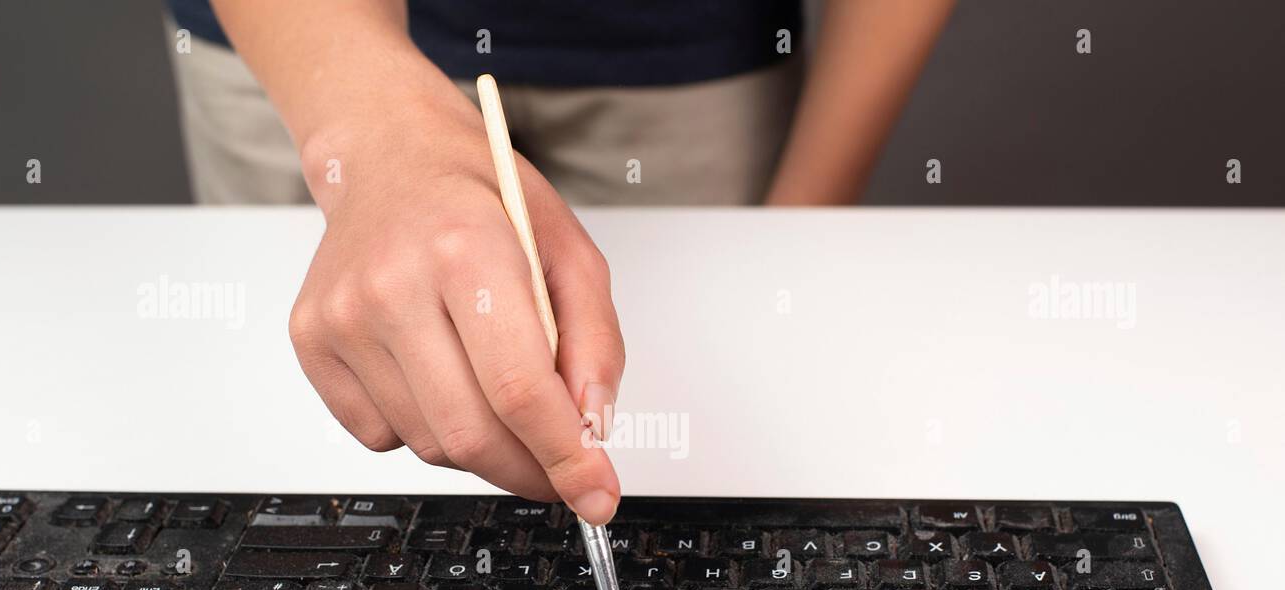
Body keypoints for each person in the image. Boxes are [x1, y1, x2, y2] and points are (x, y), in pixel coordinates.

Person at [164, 0, 954, 525]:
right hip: (295, 35)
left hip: (689, 54)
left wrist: (802, 220)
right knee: (302, 466)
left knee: (703, 458)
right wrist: (360, 121)